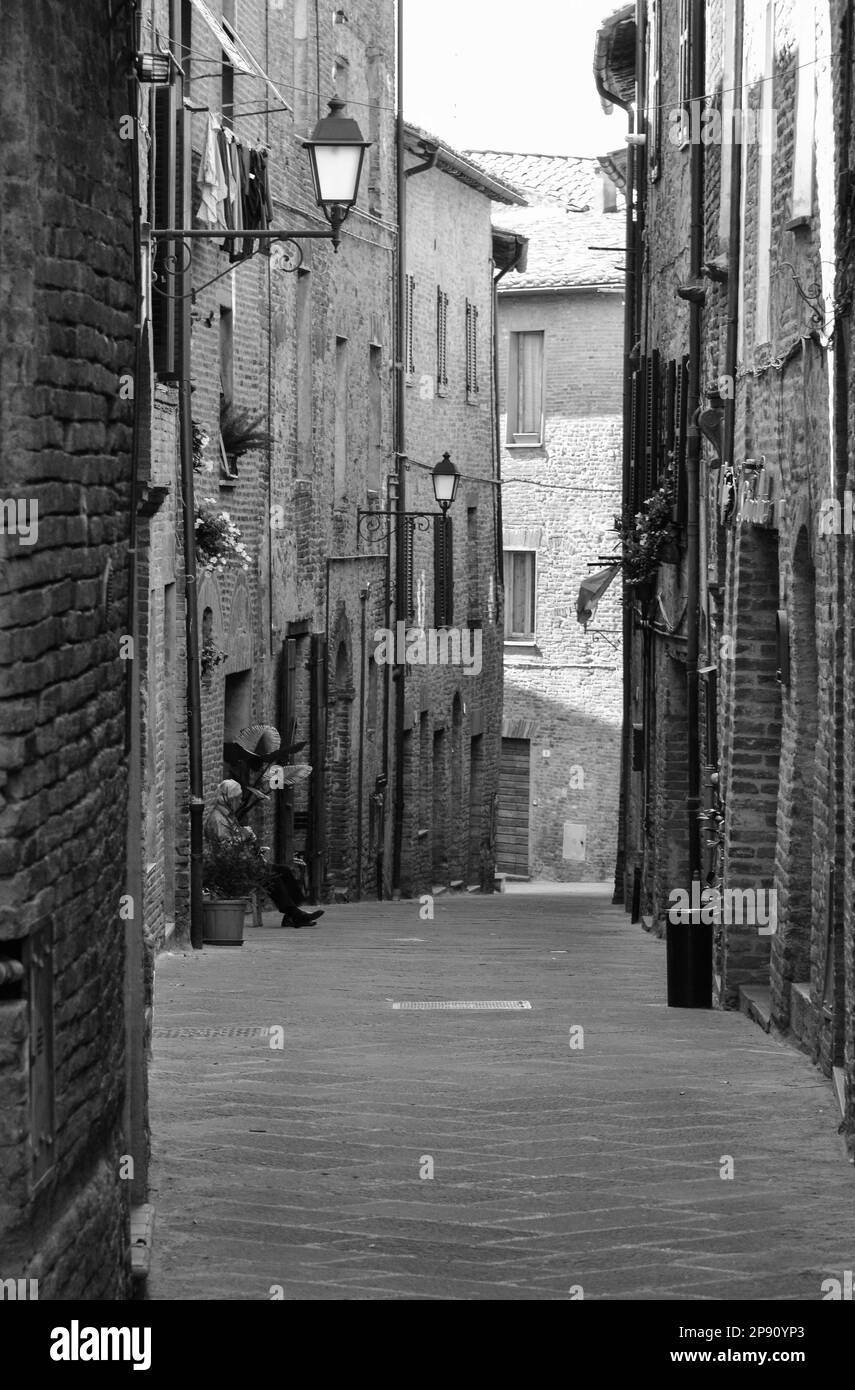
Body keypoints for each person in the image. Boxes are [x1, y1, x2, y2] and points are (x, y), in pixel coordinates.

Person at [204, 780, 323, 929]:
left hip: (243, 862)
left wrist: (245, 835)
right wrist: (243, 836)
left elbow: (233, 838)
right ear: (229, 798)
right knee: (270, 875)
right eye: (238, 798)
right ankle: (295, 914)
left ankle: (293, 914)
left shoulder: (228, 815)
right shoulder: (217, 819)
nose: (240, 801)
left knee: (283, 870)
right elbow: (224, 848)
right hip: (230, 868)